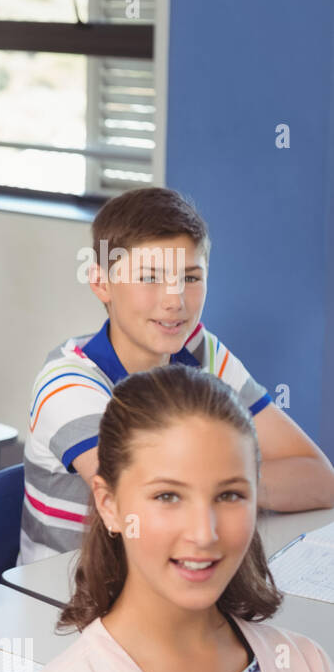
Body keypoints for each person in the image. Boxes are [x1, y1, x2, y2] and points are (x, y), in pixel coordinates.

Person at [1, 365, 333, 672]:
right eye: (168, 497)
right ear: (109, 503)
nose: (204, 533)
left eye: (231, 495)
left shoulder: (307, 670)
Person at [20, 186, 334, 565]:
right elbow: (139, 507)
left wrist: (202, 487)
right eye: (150, 278)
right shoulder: (69, 384)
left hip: (180, 577)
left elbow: (319, 478)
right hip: (71, 595)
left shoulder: (201, 351)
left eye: (190, 277)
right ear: (102, 283)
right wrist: (232, 484)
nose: (174, 300)